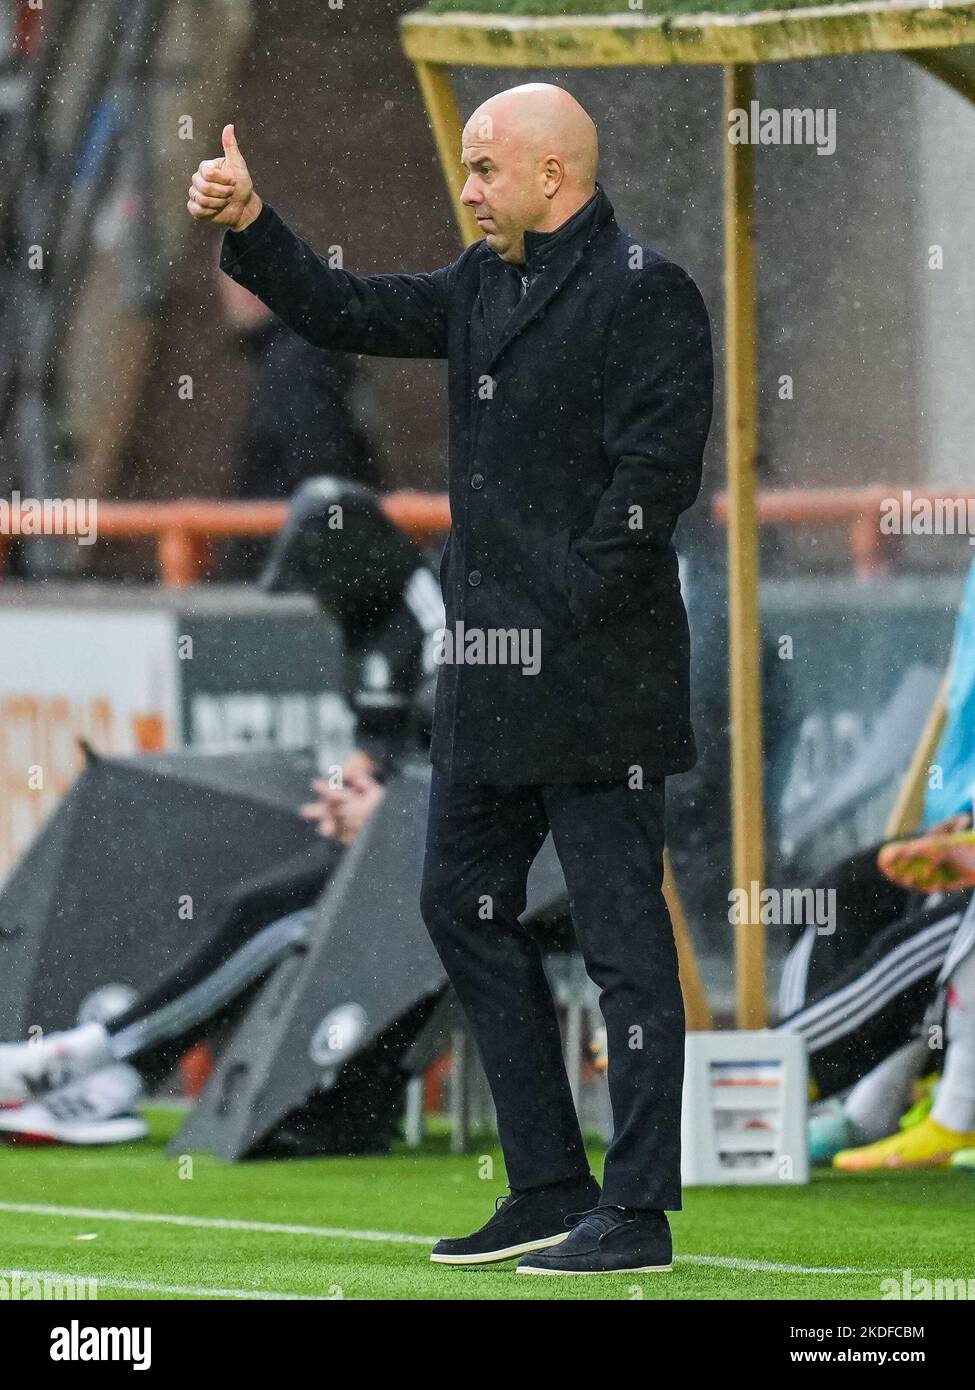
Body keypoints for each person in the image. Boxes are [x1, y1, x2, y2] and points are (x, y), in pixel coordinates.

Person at [189, 82, 713, 1275]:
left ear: (554, 179)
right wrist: (257, 221)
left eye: (485, 168)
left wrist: (555, 612)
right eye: (468, 169)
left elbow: (654, 481)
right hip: (488, 684)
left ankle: (635, 1212)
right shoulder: (482, 283)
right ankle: (543, 1184)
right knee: (458, 908)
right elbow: (343, 305)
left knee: (628, 944)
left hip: (595, 687)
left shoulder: (649, 292)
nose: (466, 189)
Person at [0, 482, 443, 1147]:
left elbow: (461, 760)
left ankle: (100, 1054)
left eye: (320, 583)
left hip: (454, 850)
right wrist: (351, 793)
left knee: (268, 910)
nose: (317, 602)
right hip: (396, 837)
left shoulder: (437, 621)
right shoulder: (369, 621)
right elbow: (379, 750)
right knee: (246, 895)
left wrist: (392, 809)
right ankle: (116, 1069)